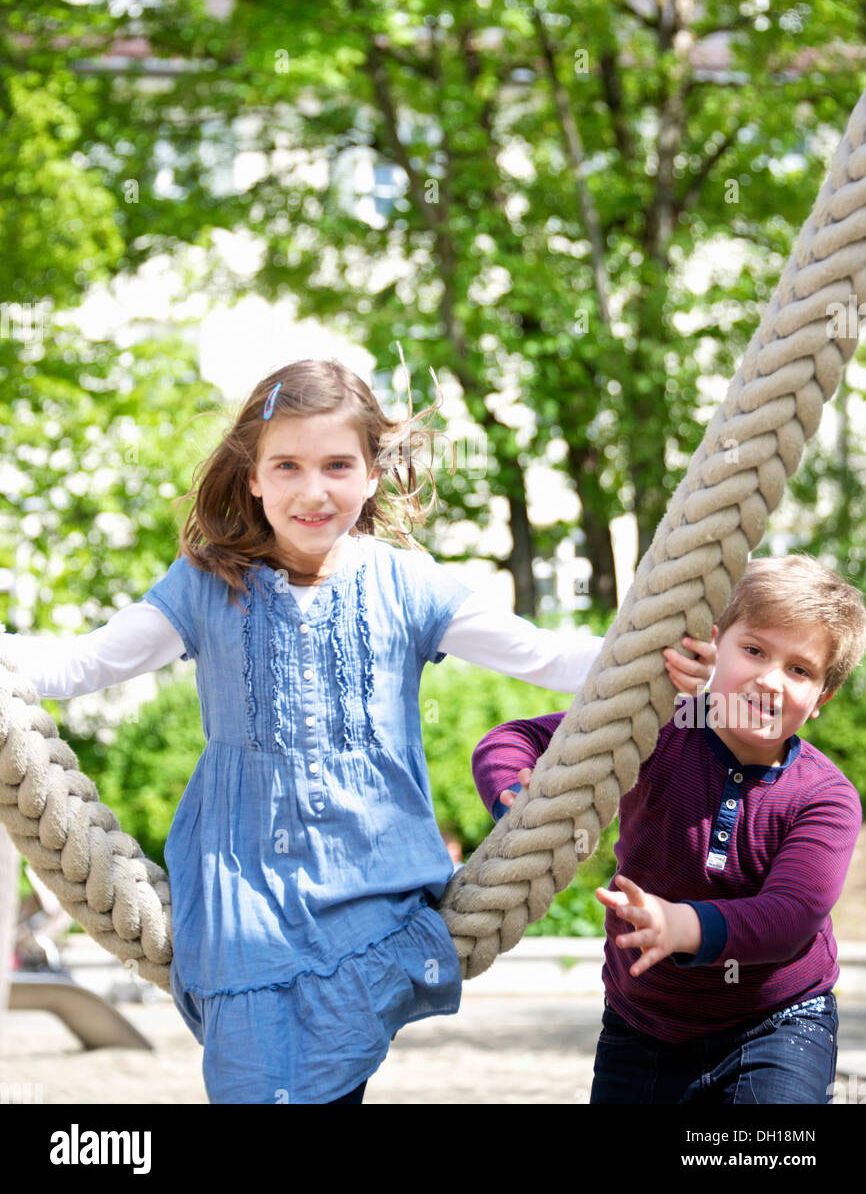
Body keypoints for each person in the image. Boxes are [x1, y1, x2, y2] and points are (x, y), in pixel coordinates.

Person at [0, 358, 713, 1105]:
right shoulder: (205, 583)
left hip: (372, 880)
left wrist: (645, 656)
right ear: (253, 477)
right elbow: (84, 663)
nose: (314, 491)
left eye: (339, 465)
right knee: (254, 1079)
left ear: (373, 473)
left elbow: (537, 652)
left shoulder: (408, 584)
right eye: (288, 466)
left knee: (332, 1073)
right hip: (244, 884)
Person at [472, 554, 866, 1105]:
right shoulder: (657, 728)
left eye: (799, 670)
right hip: (643, 1023)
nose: (770, 680)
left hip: (777, 1023)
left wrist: (684, 926)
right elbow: (515, 739)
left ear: (821, 699)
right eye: (753, 650)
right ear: (712, 645)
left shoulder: (824, 797)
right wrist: (520, 795)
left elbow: (792, 916)